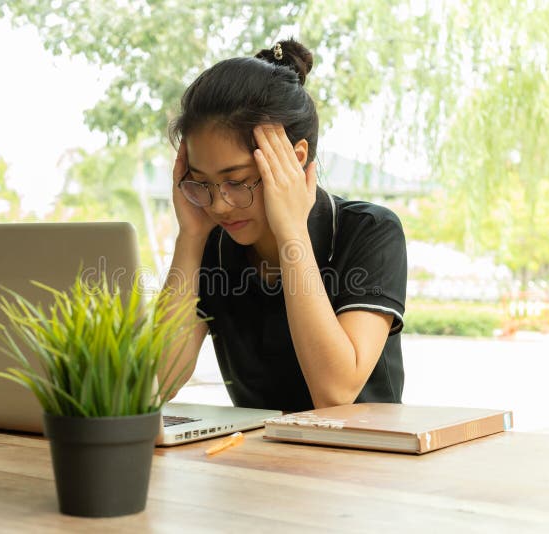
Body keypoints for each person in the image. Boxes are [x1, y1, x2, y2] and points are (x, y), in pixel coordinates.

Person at [160, 38, 407, 412]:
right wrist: (190, 237)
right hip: (256, 463)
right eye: (202, 183)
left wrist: (292, 232)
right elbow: (155, 383)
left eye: (237, 181)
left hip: (363, 463)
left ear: (296, 158)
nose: (219, 205)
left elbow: (334, 394)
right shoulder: (214, 241)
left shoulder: (369, 230)